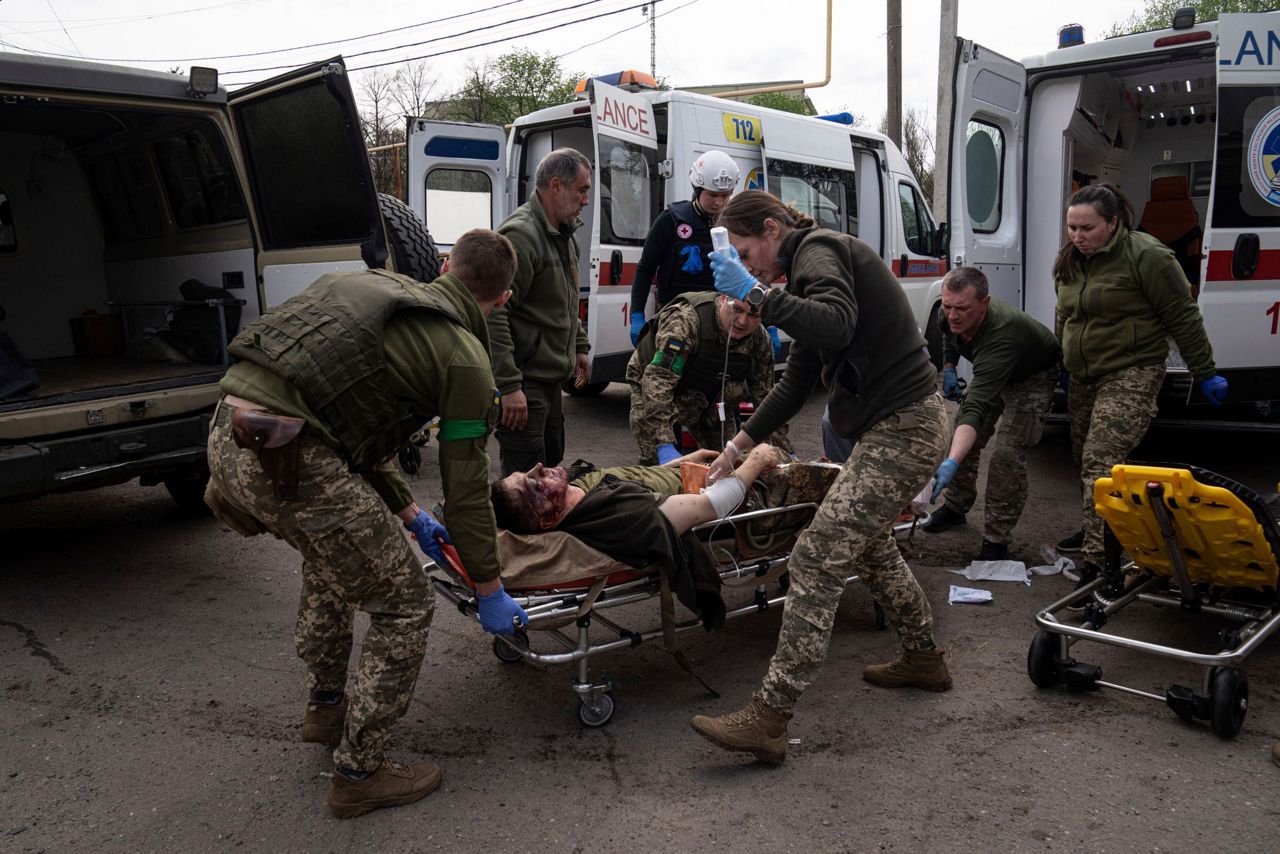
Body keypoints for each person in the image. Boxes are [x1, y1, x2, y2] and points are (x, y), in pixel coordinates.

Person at [203, 229, 529, 819]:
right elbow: (465, 484)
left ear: (447, 265)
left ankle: (326, 706)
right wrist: (489, 587)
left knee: (335, 561)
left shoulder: (380, 290)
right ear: (504, 299)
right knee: (404, 601)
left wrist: (408, 513)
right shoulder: (463, 358)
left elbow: (351, 416)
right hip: (289, 457)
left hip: (229, 428)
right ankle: (360, 773)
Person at [688, 190, 951, 765]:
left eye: (745, 250)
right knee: (868, 544)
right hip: (893, 426)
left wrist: (756, 293)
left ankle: (771, 716)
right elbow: (796, 380)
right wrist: (737, 446)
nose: (747, 264)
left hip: (905, 426)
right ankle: (924, 657)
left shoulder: (820, 251)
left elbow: (836, 326)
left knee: (816, 554)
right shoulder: (802, 278)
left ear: (771, 229)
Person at [1052, 184, 1227, 584]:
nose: (1077, 237)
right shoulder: (1071, 261)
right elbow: (1067, 315)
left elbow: (1183, 316)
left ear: (1114, 223)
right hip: (1085, 375)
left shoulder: (1148, 257)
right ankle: (1102, 526)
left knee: (1101, 461)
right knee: (1084, 463)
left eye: (1087, 228)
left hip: (1131, 370)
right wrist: (1062, 359)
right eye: (1071, 228)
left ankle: (1100, 565)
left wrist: (1204, 371)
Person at [491, 445, 783, 629]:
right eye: (533, 482)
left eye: (526, 471)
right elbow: (712, 506)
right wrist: (757, 458)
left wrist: (682, 462)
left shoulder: (575, 495)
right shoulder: (621, 516)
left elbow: (632, 480)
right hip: (755, 495)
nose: (539, 467)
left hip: (701, 474)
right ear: (549, 520)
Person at [922, 266, 1060, 562]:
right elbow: (948, 334)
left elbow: (976, 408)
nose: (953, 315)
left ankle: (997, 537)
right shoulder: (948, 310)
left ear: (984, 303)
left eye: (962, 308)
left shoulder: (1002, 335)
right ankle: (956, 507)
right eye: (948, 306)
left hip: (1031, 375)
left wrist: (950, 462)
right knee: (961, 434)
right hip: (994, 368)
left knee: (1007, 455)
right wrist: (948, 366)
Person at [491, 148, 594, 476]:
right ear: (556, 186)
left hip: (551, 382)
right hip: (526, 383)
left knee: (550, 470)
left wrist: (579, 347)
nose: (586, 200)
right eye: (583, 189)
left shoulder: (565, 235)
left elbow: (566, 301)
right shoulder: (521, 236)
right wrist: (508, 387)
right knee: (524, 484)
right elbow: (493, 313)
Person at [626, 291, 790, 465]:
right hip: (653, 385)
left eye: (752, 315)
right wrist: (663, 445)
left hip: (708, 394)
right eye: (737, 310)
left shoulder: (759, 341)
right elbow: (658, 381)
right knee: (658, 466)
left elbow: (766, 399)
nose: (742, 321)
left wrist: (783, 453)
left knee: (725, 464)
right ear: (723, 299)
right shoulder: (685, 320)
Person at [628, 150, 741, 345]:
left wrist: (769, 324)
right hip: (673, 315)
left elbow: (754, 271)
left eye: (725, 195)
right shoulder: (671, 220)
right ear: (697, 190)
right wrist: (636, 314)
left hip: (719, 318)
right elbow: (646, 268)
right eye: (713, 195)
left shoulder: (737, 223)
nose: (719, 202)